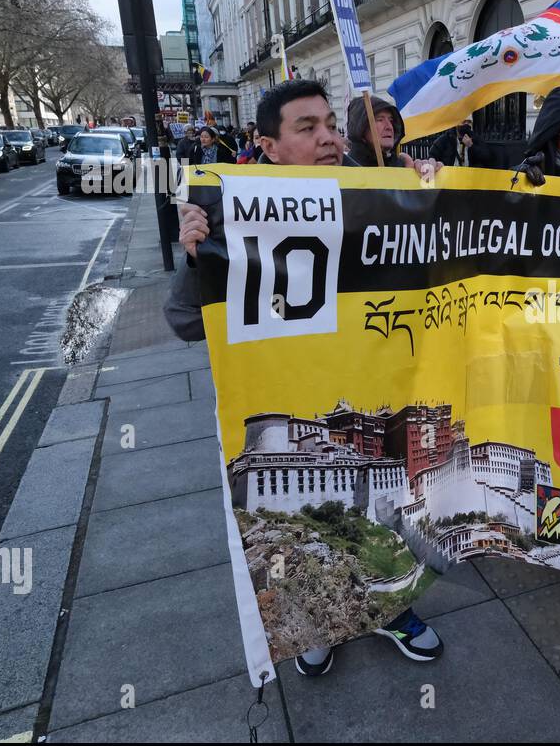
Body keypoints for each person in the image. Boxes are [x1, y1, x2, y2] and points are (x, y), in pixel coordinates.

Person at [165, 79, 444, 676]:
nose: (327, 139)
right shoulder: (233, 211)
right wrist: (197, 257)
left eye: (329, 124)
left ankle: (391, 611)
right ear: (268, 145)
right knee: (302, 526)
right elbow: (187, 322)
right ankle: (312, 625)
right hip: (291, 402)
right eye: (306, 128)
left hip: (370, 396)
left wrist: (432, 187)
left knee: (381, 518)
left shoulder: (378, 189)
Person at [345, 96, 441, 179]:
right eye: (380, 120)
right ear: (360, 128)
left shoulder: (403, 166)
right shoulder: (345, 170)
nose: (389, 127)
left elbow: (423, 198)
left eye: (391, 120)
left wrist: (431, 176)